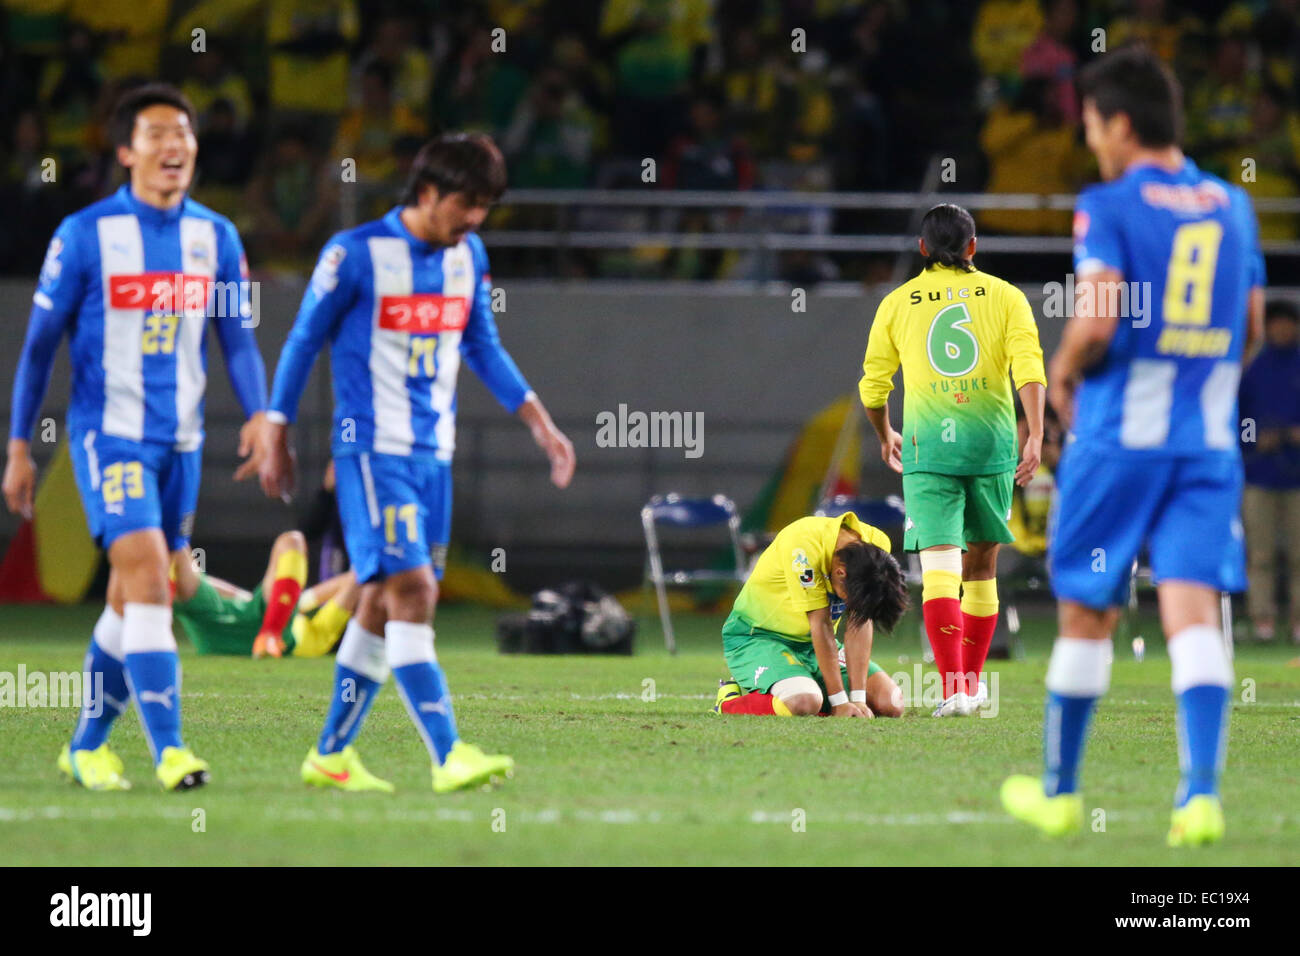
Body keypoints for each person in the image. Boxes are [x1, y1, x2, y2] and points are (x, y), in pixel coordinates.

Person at [1001, 47, 1265, 848]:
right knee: (1194, 613)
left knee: (1086, 609)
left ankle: (1060, 794)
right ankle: (1201, 798)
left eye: (1090, 126)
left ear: (1118, 122)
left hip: (1119, 441)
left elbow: (1101, 313)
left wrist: (1062, 369)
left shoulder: (1109, 204)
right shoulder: (1231, 204)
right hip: (1207, 446)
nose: (1091, 143)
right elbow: (1251, 327)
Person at [256, 132, 576, 794]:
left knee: (377, 603)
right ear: (426, 192)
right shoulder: (355, 254)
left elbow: (481, 344)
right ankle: (448, 753)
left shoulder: (469, 257)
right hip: (373, 451)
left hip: (435, 457)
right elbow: (302, 339)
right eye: (468, 203)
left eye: (486, 207)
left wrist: (540, 424)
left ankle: (330, 755)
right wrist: (275, 427)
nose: (476, 220)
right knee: (416, 593)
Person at [3, 83, 269, 791]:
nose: (173, 144)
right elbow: (38, 348)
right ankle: (171, 751)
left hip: (179, 445)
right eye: (155, 134)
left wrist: (261, 415)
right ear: (126, 151)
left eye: (182, 132)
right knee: (151, 573)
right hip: (107, 437)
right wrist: (20, 447)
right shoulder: (85, 234)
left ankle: (86, 745)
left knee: (133, 596)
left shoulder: (217, 237)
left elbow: (237, 338)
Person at [858, 203, 1047, 717]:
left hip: (928, 448)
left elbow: (874, 387)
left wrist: (884, 434)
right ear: (973, 247)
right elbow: (1029, 368)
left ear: (922, 249)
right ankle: (971, 684)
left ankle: (953, 691)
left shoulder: (898, 302)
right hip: (991, 444)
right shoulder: (1006, 297)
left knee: (939, 567)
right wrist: (1035, 435)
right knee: (982, 565)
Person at [714, 512, 908, 718]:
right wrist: (840, 701)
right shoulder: (803, 546)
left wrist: (858, 699)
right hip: (759, 638)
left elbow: (860, 620)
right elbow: (820, 623)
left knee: (890, 704)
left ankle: (807, 689)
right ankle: (728, 703)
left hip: (815, 646)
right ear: (840, 573)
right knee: (804, 702)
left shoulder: (876, 545)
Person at [171, 531, 358, 659]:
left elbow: (353, 579)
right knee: (293, 540)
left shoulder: (315, 635)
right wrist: (293, 602)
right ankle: (271, 635)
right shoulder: (317, 640)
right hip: (274, 626)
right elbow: (357, 578)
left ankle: (150, 628)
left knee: (174, 542)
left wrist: (297, 601)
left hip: (215, 627)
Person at [1238, 300, 1300, 644]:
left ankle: (1297, 623)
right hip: (1259, 474)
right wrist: (1254, 439)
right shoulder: (1254, 369)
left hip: (1297, 476)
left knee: (1298, 554)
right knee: (1259, 554)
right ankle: (1262, 620)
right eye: (1274, 323)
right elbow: (1239, 418)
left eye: (1286, 323)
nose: (1280, 330)